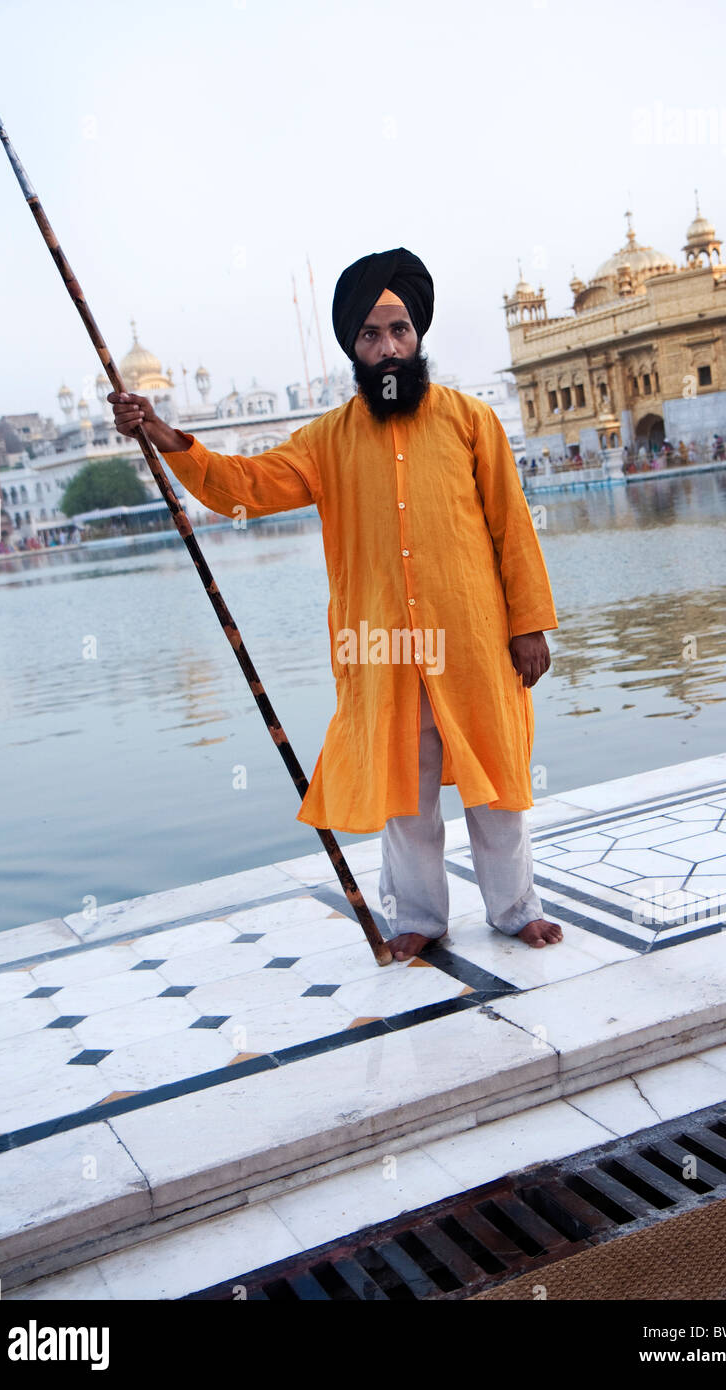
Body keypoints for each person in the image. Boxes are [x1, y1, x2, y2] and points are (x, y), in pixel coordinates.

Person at [109, 247, 562, 961]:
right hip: (381, 649)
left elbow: (513, 525)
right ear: (353, 346)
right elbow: (244, 487)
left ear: (418, 338)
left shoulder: (471, 422)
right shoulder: (327, 441)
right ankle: (419, 916)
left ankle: (515, 908)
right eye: (372, 336)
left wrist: (530, 625)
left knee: (496, 781)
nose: (388, 348)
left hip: (475, 637)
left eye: (400, 331)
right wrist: (166, 436)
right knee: (405, 791)